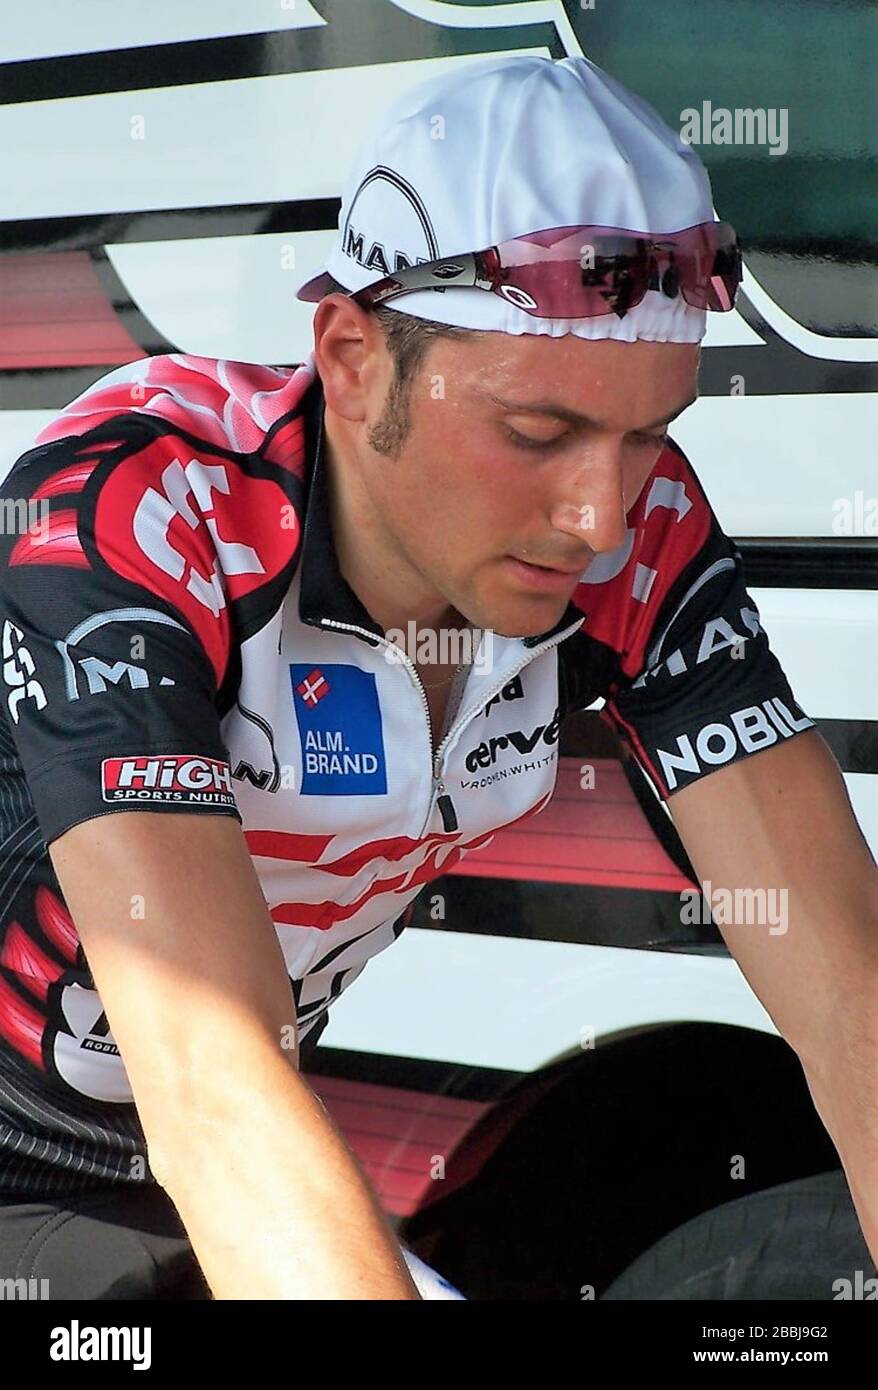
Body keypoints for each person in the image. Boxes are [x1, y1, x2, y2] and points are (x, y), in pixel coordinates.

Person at [0, 53, 874, 1300]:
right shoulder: (144, 496)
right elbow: (207, 1062)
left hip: (190, 1153)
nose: (599, 518)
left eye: (647, 433)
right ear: (351, 358)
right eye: (536, 432)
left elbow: (848, 987)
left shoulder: (633, 520)